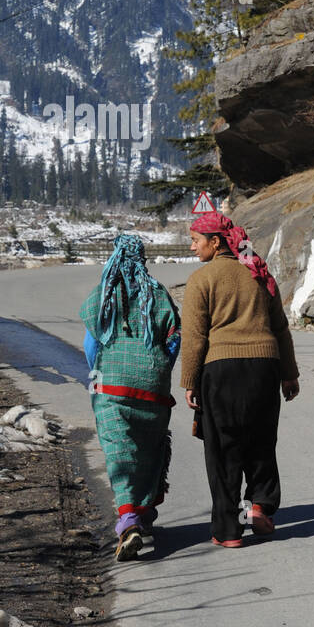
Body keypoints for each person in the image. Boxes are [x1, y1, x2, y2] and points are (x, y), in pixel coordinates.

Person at [180, 210, 300, 548]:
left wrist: (190, 379)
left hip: (222, 371)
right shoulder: (258, 274)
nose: (192, 247)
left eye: (195, 240)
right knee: (261, 442)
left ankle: (229, 531)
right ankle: (260, 505)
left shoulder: (201, 280)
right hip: (265, 368)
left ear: (215, 242)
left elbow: (194, 337)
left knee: (223, 449)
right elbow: (280, 328)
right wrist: (288, 374)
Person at [80, 233, 181, 560]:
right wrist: (161, 368)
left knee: (120, 450)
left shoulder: (105, 295)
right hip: (153, 385)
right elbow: (173, 339)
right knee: (151, 449)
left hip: (111, 385)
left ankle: (128, 521)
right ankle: (145, 510)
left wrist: (97, 370)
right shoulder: (158, 294)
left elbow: (90, 345)